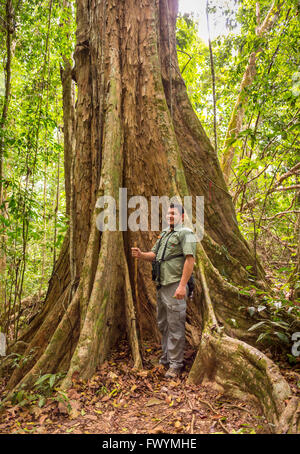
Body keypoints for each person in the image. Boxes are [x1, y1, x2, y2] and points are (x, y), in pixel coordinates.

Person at [131, 203, 197, 378]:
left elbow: (190, 261)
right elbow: (155, 255)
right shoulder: (165, 234)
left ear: (182, 216)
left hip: (175, 285)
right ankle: (166, 359)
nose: (170, 216)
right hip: (161, 285)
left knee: (175, 325)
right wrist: (141, 254)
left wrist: (183, 286)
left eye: (174, 213)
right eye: (168, 214)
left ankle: (176, 364)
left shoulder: (187, 234)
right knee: (163, 324)